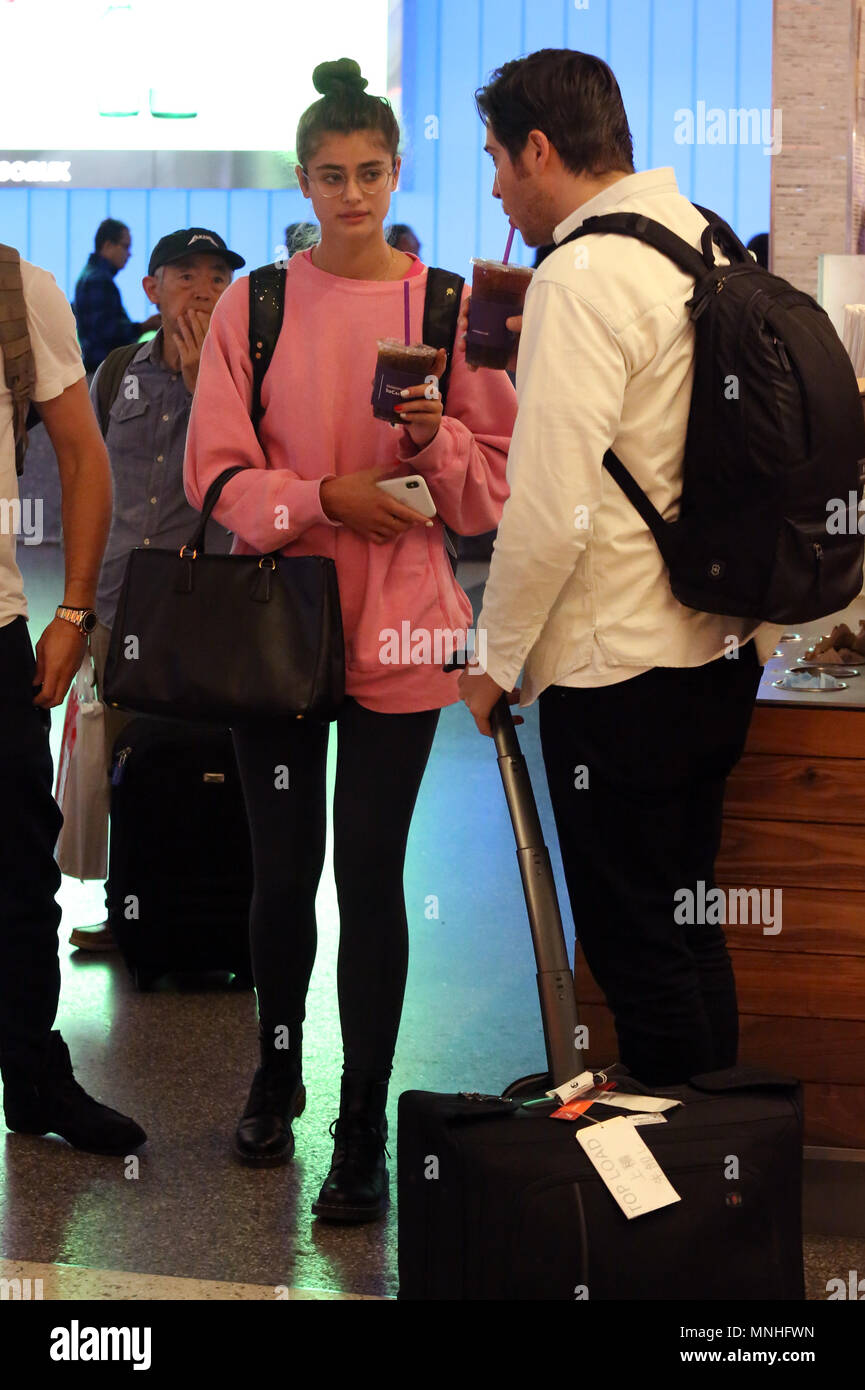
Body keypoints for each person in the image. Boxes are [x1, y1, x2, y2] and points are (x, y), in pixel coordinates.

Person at [185, 57, 515, 1221]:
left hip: (405, 634)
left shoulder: (447, 311)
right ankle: (276, 1073)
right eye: (331, 177)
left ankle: (362, 1122)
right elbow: (217, 474)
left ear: (395, 170)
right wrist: (330, 496)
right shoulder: (255, 303)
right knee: (284, 877)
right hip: (278, 629)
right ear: (303, 179)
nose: (352, 196)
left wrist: (429, 448)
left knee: (371, 880)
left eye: (370, 173)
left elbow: (487, 493)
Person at [459, 48, 778, 1087]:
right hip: (719, 648)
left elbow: (550, 509)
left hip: (616, 669)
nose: (499, 187)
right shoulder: (709, 240)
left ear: (541, 149)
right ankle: (723, 1180)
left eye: (500, 161)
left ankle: (674, 1212)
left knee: (637, 948)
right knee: (687, 922)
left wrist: (493, 656)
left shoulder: (581, 274)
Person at [0, 244, 145, 1154]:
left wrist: (77, 612)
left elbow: (86, 458)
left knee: (19, 873)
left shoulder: (19, 291)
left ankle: (32, 1071)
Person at [68, 227, 241, 952]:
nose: (202, 291)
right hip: (114, 600)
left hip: (199, 608)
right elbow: (89, 477)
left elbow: (238, 477)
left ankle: (190, 918)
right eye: (186, 277)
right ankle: (127, 910)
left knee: (190, 762)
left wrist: (209, 386)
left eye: (216, 279)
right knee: (114, 763)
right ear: (151, 289)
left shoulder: (244, 379)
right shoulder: (115, 372)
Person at [73, 219, 161, 373]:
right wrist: (143, 327)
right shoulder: (98, 280)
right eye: (125, 247)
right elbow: (105, 332)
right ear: (107, 246)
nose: (129, 254)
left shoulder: (90, 276)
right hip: (103, 371)